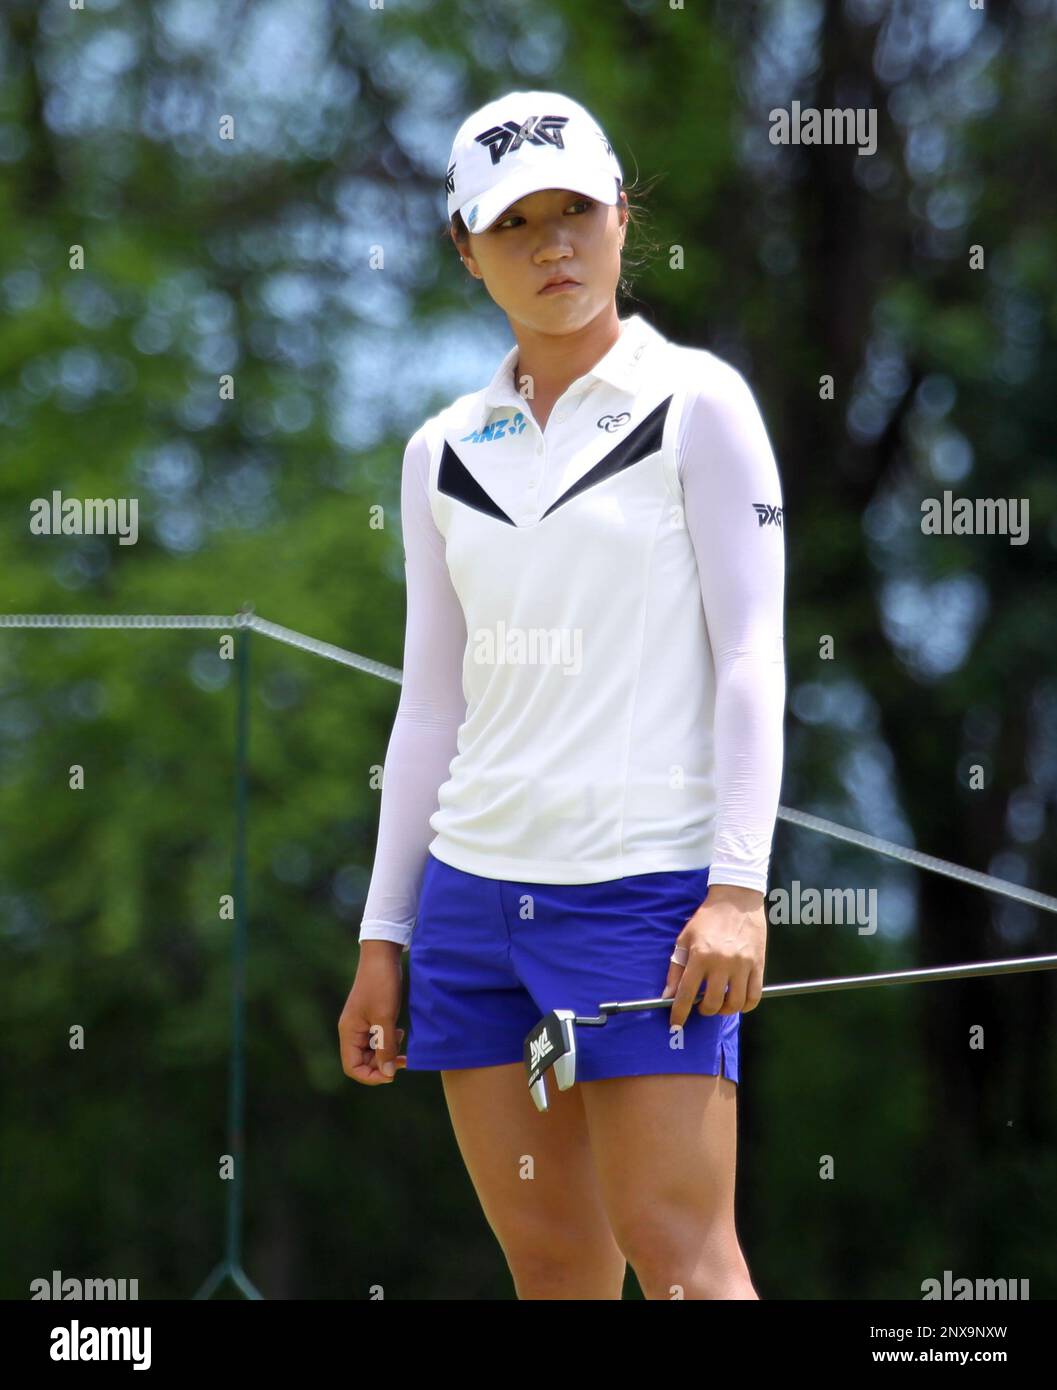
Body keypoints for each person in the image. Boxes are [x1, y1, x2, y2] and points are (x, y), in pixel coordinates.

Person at [339, 89, 786, 1301]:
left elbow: (753, 654)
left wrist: (737, 889)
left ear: (621, 217)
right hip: (473, 907)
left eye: (576, 212)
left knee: (686, 1263)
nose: (552, 247)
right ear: (464, 247)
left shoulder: (700, 405)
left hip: (644, 894)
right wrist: (388, 934)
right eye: (516, 223)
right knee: (552, 1270)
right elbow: (429, 704)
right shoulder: (442, 448)